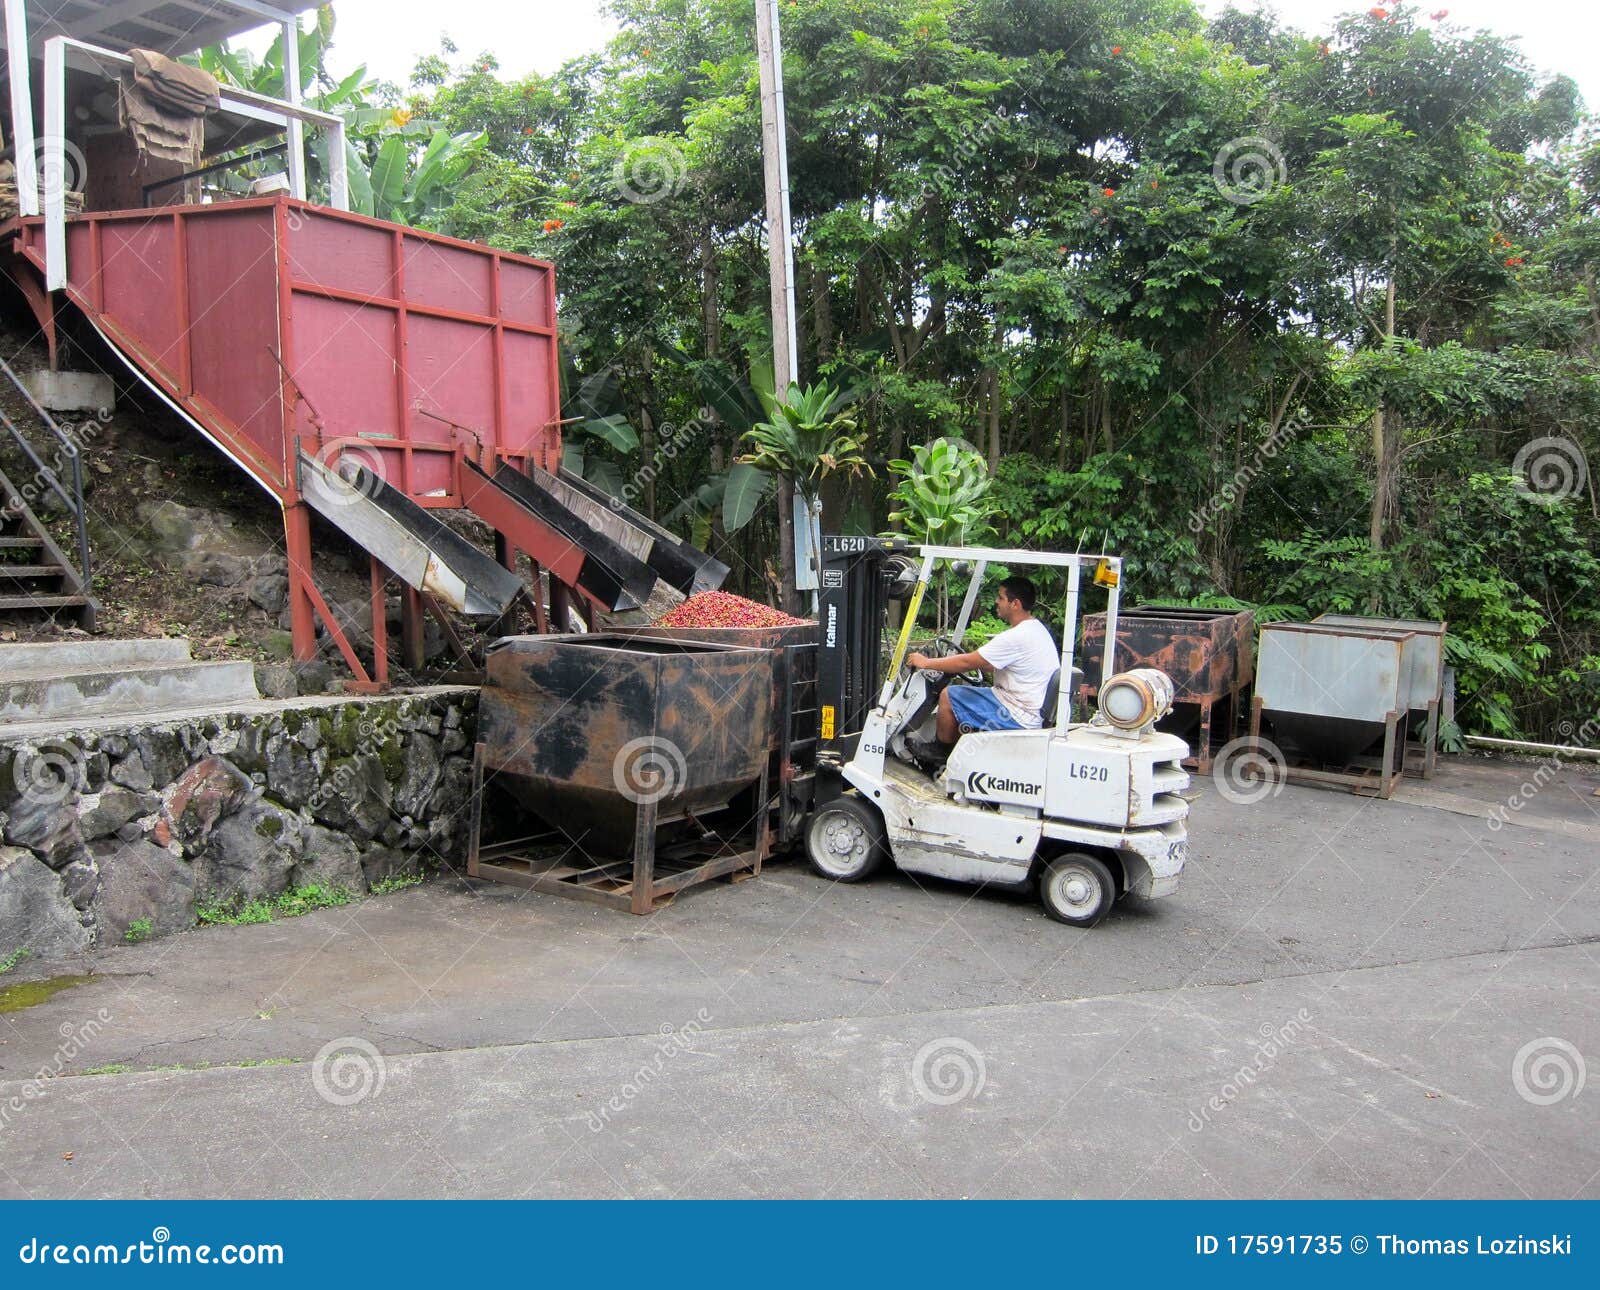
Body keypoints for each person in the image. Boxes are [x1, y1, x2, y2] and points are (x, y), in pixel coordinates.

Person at [904, 576, 1059, 765]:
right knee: (967, 699)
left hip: (1017, 713)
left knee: (949, 696)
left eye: (1001, 598)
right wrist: (976, 661)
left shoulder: (1016, 636)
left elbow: (966, 662)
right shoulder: (1036, 629)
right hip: (1028, 707)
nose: (996, 601)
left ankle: (939, 755)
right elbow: (987, 663)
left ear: (1015, 604)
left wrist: (926, 662)